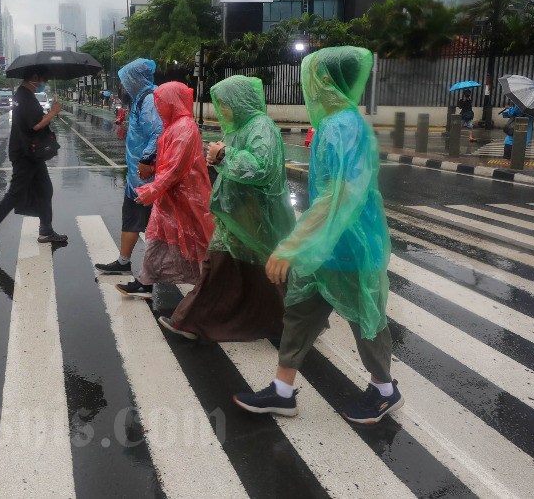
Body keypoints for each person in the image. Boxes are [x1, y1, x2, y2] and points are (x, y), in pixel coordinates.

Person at [233, 47, 401, 425]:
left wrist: (293, 245)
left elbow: (339, 195)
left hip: (351, 246)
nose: (307, 85)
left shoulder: (345, 127)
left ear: (326, 81)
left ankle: (384, 390)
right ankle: (282, 391)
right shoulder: (331, 125)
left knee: (364, 318)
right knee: (300, 310)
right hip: (324, 246)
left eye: (311, 77)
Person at [158, 75, 295, 341]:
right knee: (241, 269)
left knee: (233, 268)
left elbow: (262, 167)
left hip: (255, 216)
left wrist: (224, 155)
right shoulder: (239, 128)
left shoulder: (261, 126)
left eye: (225, 103)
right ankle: (285, 321)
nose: (222, 109)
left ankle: (189, 321)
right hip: (237, 216)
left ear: (240, 101)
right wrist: (220, 157)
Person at [116, 82, 214, 298]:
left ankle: (210, 286)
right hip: (170, 198)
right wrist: (153, 169)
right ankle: (145, 282)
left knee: (196, 243)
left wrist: (153, 189)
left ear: (172, 102)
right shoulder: (172, 126)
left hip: (188, 199)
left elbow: (176, 168)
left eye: (161, 102)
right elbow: (168, 162)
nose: (158, 107)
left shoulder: (185, 128)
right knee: (156, 237)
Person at [0, 66, 68, 251]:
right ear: (34, 77)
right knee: (15, 194)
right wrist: (54, 112)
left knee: (45, 189)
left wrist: (49, 112)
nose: (44, 83)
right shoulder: (25, 98)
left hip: (31, 152)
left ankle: (46, 231)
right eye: (43, 79)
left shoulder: (23, 95)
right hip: (25, 154)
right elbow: (36, 125)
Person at [94, 59, 164, 277]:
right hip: (137, 176)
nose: (121, 86)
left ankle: (155, 272)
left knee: (154, 225)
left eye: (124, 82)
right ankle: (124, 262)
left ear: (135, 80)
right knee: (131, 217)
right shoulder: (139, 99)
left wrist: (146, 160)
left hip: (147, 175)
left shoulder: (149, 100)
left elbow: (157, 132)